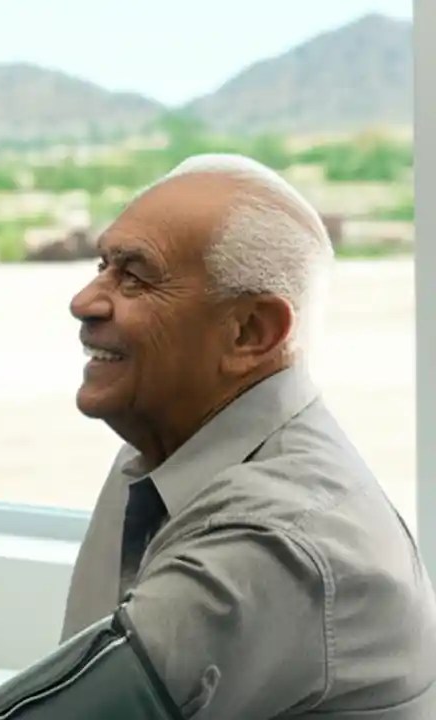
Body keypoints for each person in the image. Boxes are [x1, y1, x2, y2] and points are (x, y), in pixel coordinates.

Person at [59, 153, 436, 717]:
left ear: (250, 333)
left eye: (134, 276)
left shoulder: (268, 540)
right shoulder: (157, 453)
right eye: (102, 265)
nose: (84, 302)